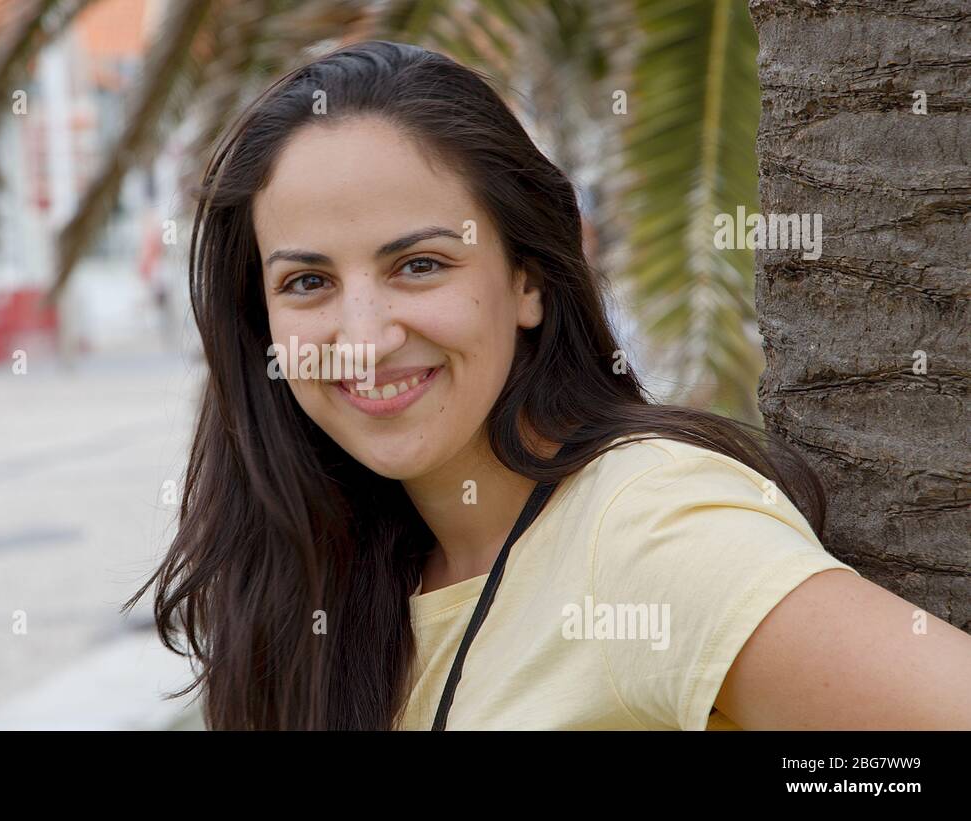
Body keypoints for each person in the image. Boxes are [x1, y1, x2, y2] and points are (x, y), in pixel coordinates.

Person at [125, 41, 971, 730]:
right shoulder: (337, 572)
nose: (366, 337)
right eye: (307, 282)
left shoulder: (643, 525)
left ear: (528, 277)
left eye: (419, 265)